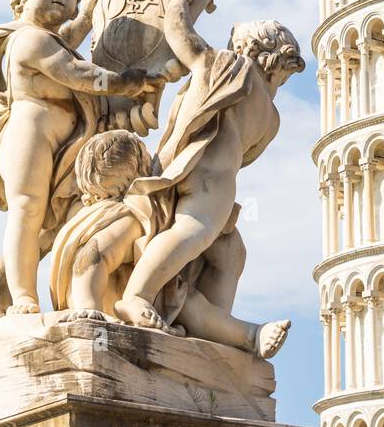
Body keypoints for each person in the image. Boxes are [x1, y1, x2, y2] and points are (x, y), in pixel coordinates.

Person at [0, 0, 161, 316]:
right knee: (27, 208)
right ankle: (24, 295)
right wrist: (126, 83)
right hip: (31, 134)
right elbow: (79, 74)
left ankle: (1, 275)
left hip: (68, 145)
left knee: (54, 226)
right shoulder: (29, 39)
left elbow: (75, 30)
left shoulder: (54, 38)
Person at [113, 0, 304, 349]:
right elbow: (191, 50)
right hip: (212, 180)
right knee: (192, 232)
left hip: (191, 167)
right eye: (283, 73)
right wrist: (176, 2)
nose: (282, 82)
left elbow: (192, 52)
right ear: (272, 61)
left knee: (229, 252)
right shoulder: (245, 77)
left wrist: (179, 4)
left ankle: (211, 326)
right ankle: (137, 295)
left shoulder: (258, 99)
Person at [50, 129, 289, 357]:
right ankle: (250, 335)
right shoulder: (127, 217)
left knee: (188, 299)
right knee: (192, 304)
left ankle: (251, 336)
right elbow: (92, 257)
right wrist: (90, 310)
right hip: (109, 305)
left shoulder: (130, 215)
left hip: (142, 299)